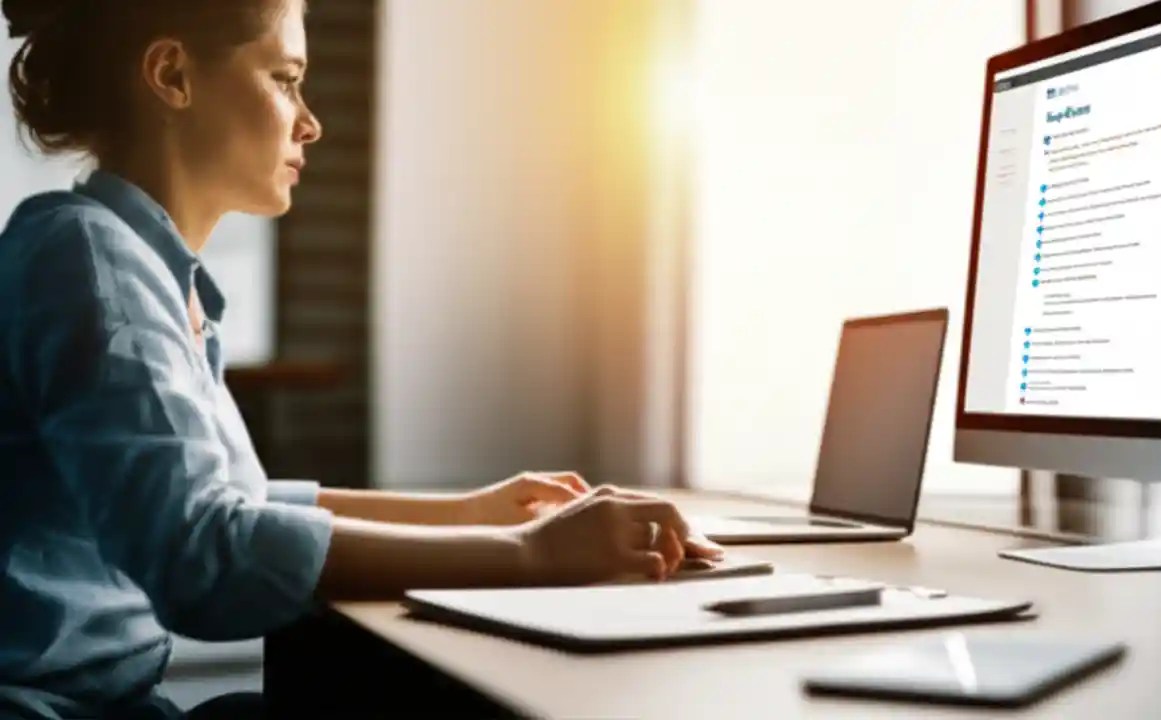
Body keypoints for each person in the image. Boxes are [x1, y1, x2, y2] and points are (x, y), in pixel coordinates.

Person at [0, 0, 721, 717]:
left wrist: (468, 516)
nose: (310, 121)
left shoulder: (131, 266)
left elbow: (231, 499)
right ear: (172, 75)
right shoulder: (90, 264)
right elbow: (203, 552)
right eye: (285, 79)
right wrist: (527, 554)